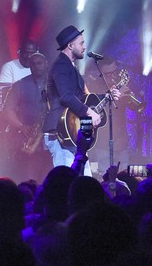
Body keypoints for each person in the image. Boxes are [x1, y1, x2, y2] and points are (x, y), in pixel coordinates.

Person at [42, 25, 119, 174]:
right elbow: (66, 97)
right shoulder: (60, 66)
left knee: (83, 181)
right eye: (81, 43)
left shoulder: (71, 67)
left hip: (72, 132)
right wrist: (89, 112)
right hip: (62, 131)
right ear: (70, 46)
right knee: (69, 182)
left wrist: (107, 96)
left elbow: (82, 98)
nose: (84, 47)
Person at [2, 50, 51, 180]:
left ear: (46, 64)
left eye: (39, 63)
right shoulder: (19, 85)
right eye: (33, 64)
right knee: (30, 176)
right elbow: (8, 110)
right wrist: (22, 126)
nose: (37, 66)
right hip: (29, 136)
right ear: (29, 65)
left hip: (53, 137)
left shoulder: (55, 83)